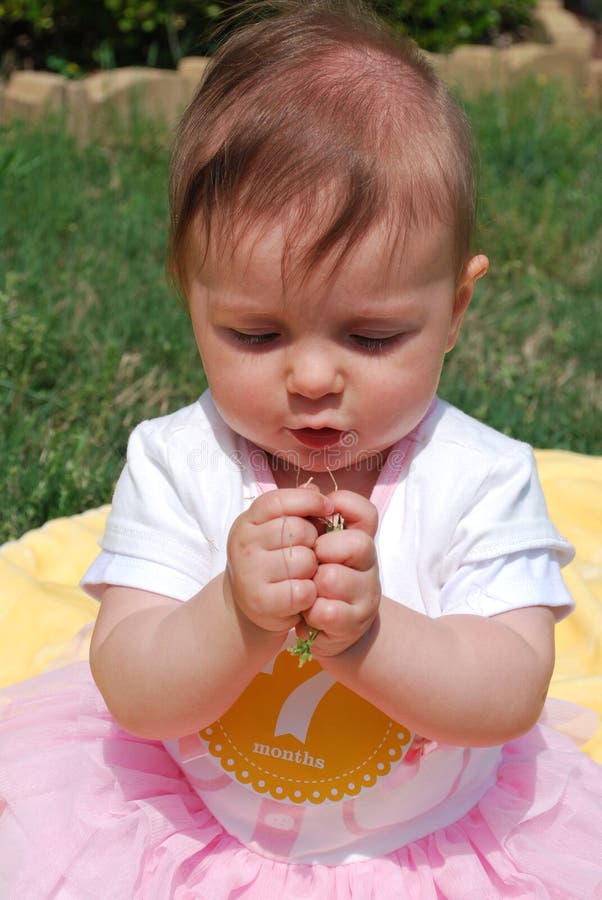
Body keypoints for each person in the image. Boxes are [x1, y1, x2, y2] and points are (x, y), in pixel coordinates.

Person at [1, 1, 601, 896]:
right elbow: (132, 687)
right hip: (190, 823)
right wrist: (232, 617)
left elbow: (508, 692)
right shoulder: (176, 461)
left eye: (370, 337)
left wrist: (371, 640)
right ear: (191, 295)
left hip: (433, 841)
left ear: (455, 312)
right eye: (253, 334)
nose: (313, 378)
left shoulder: (481, 479)